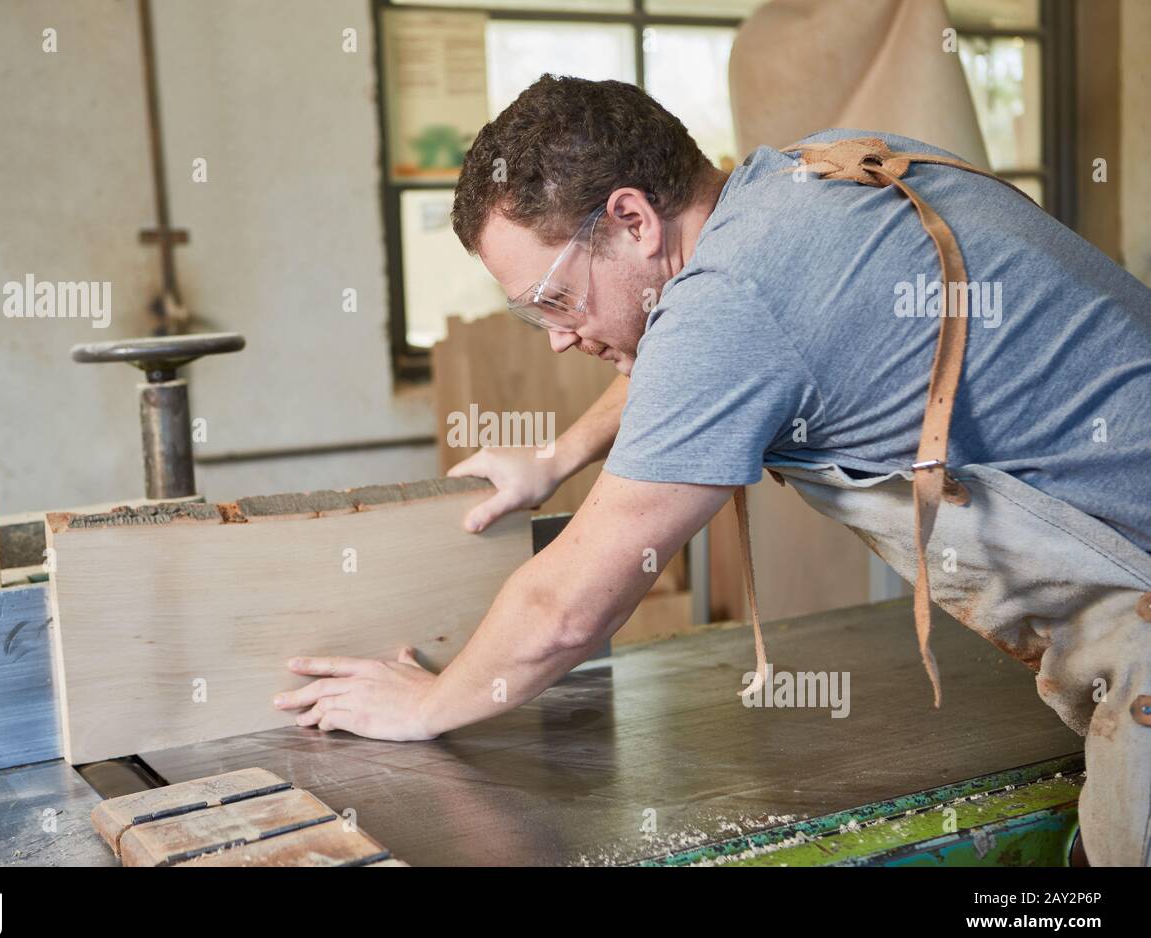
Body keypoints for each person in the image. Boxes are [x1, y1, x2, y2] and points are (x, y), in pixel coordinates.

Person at [273, 76, 1151, 865]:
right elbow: (714, 364)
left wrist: (424, 708)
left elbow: (565, 610)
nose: (557, 336)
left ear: (631, 219)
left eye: (554, 298)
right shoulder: (803, 183)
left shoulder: (730, 307)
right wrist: (554, 457)